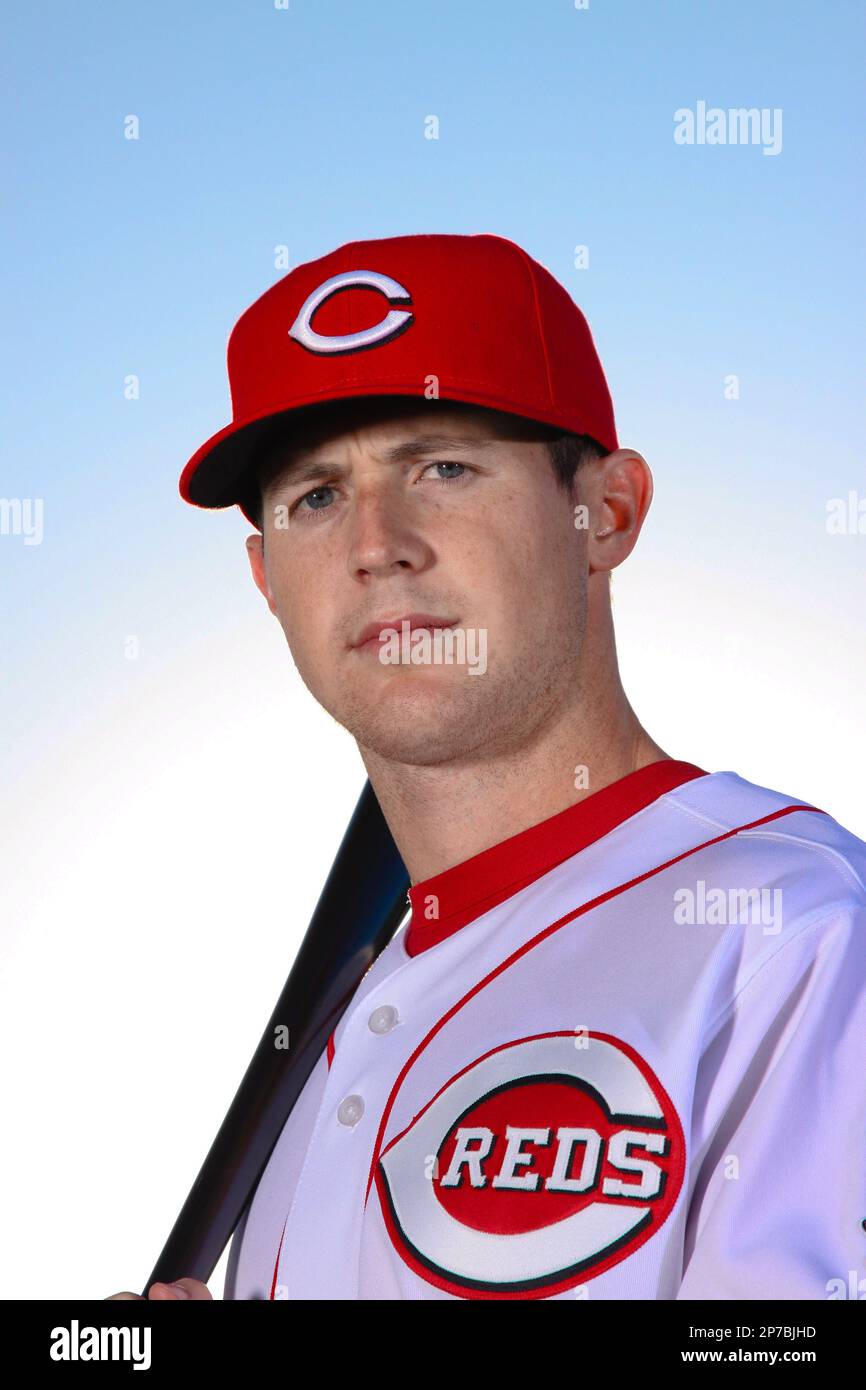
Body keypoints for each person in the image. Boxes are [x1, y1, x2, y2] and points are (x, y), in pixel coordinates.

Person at [108, 233, 866, 1301]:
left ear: (605, 512)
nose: (378, 542)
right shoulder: (325, 1045)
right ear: (264, 577)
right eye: (316, 496)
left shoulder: (797, 931)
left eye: (442, 466)